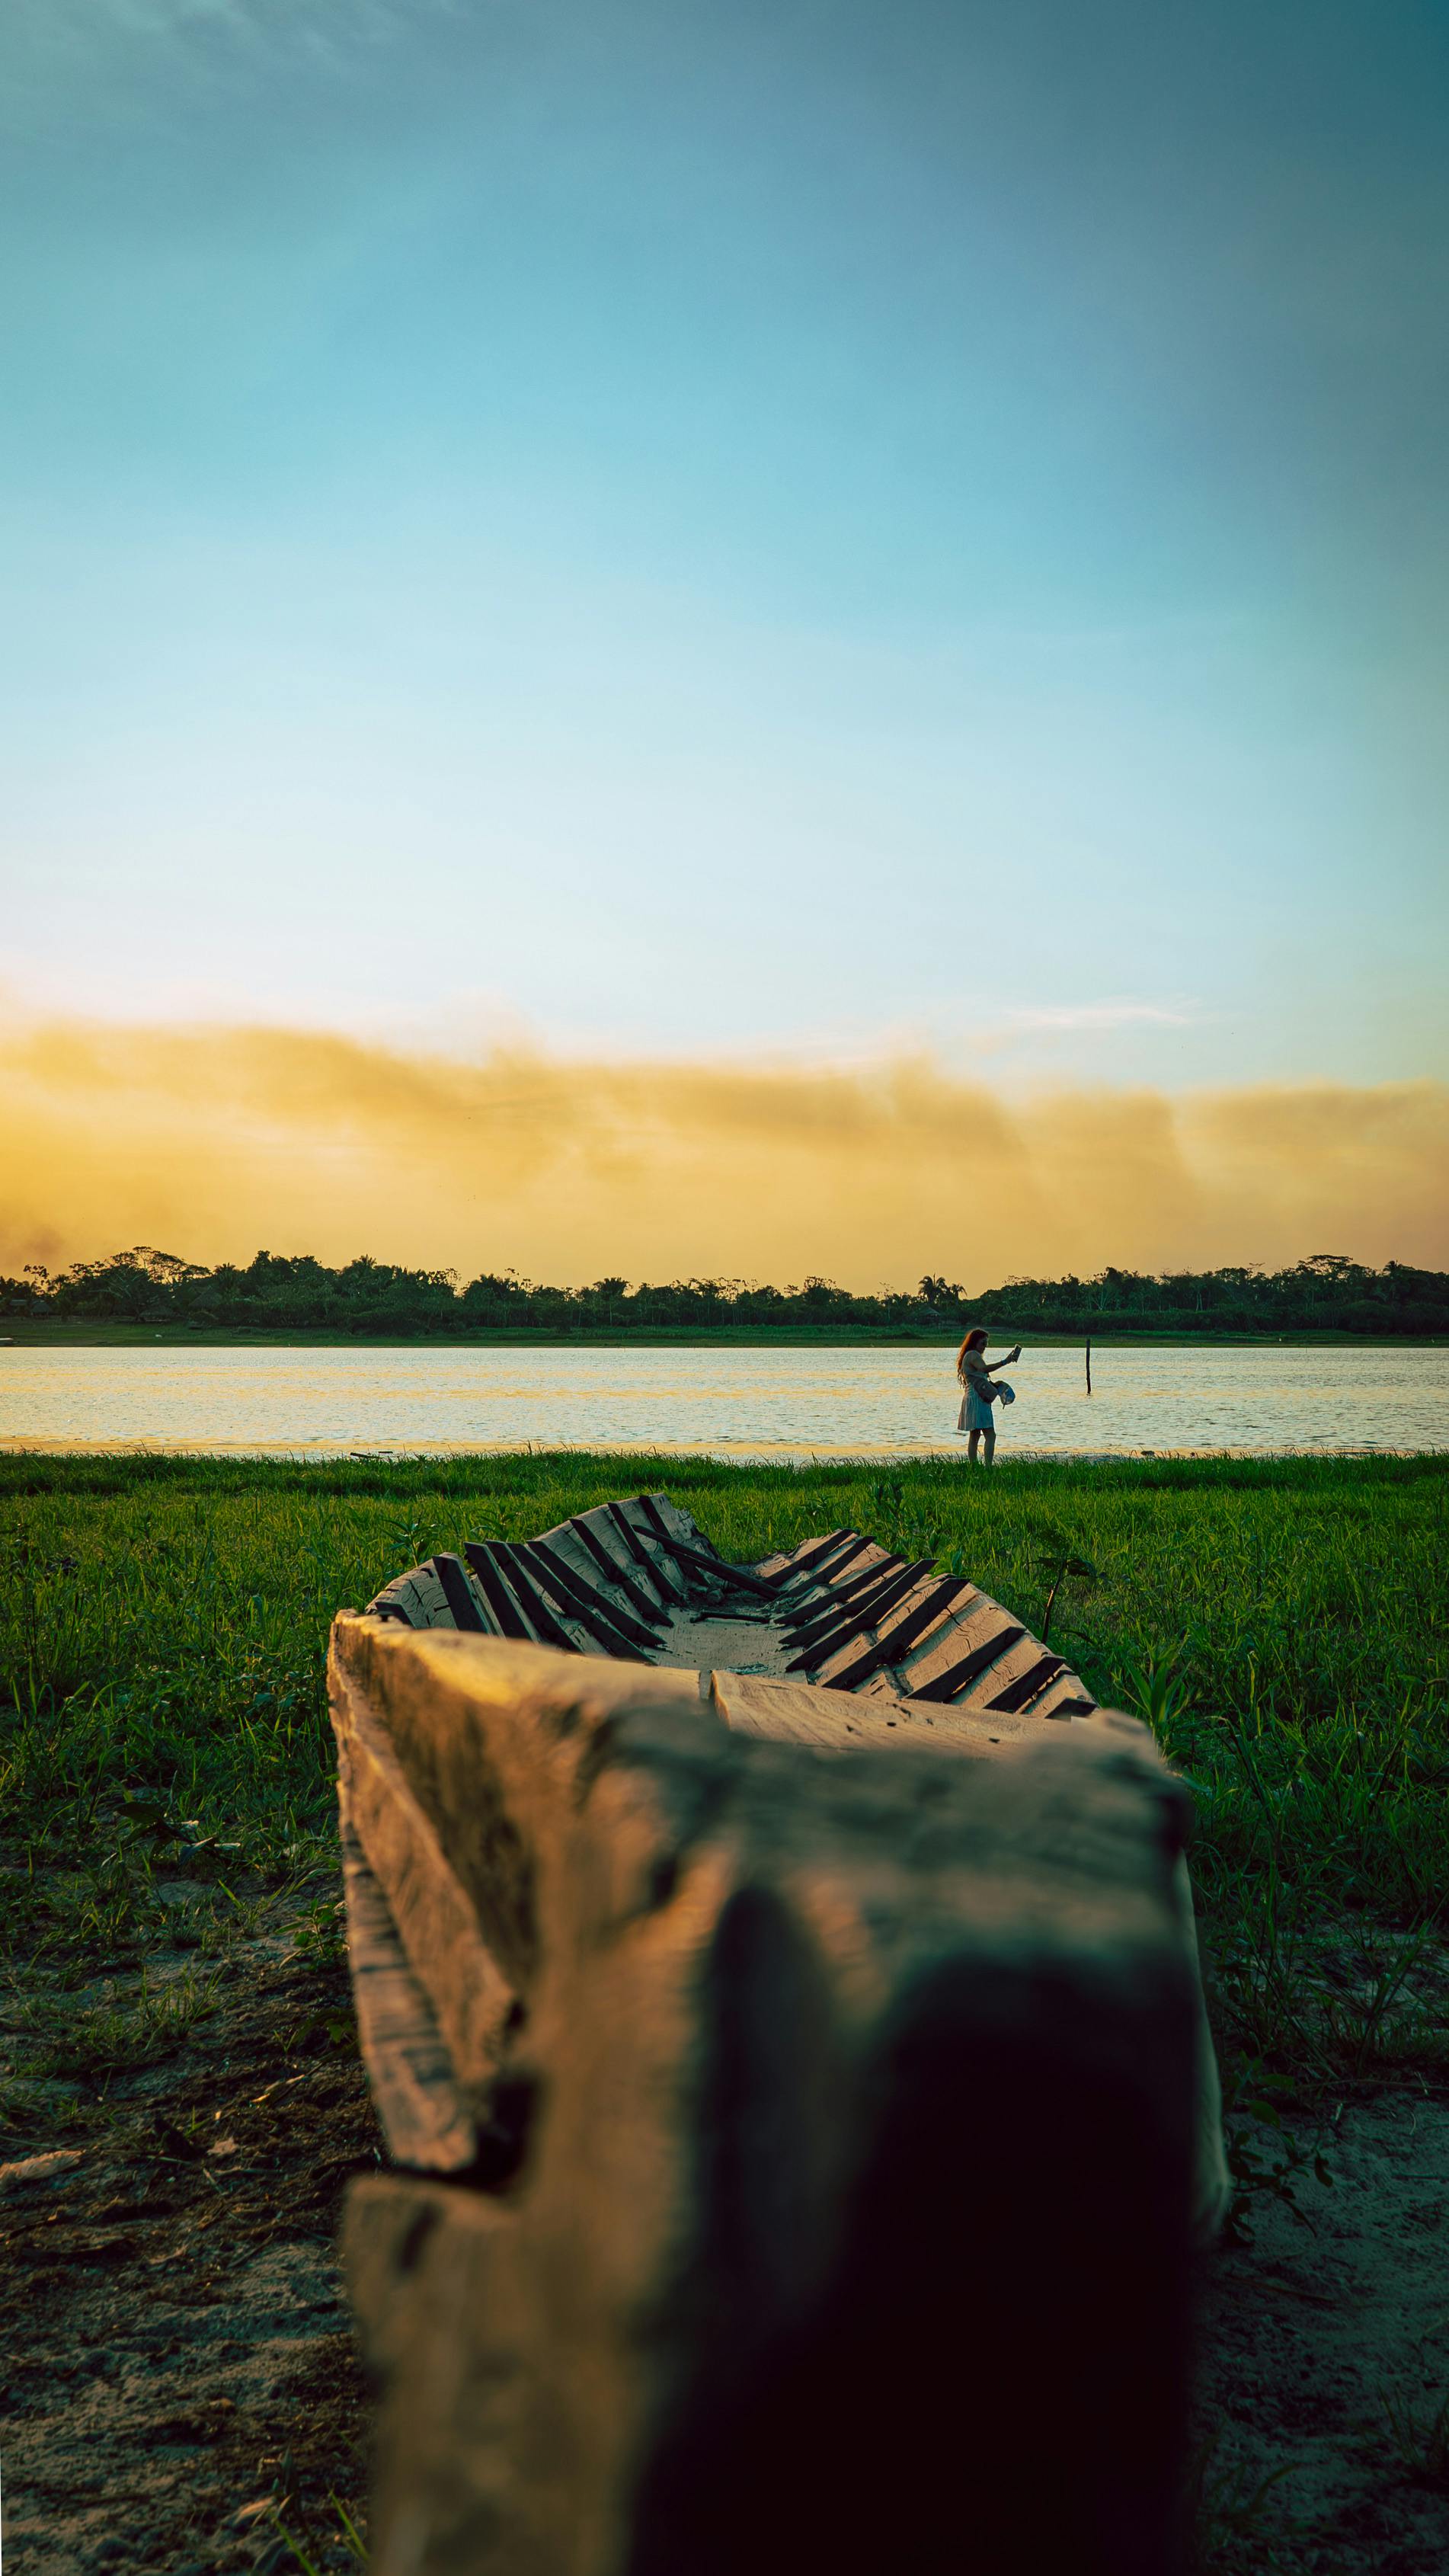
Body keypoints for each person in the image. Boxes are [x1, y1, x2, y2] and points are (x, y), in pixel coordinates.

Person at [955, 1326, 1022, 1466]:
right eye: (983, 1343)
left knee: (974, 1435)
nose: (985, 1347)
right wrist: (1005, 1361)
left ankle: (973, 1466)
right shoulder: (973, 1355)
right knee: (990, 1435)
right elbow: (984, 1369)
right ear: (975, 1342)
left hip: (971, 1398)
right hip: (978, 1400)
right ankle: (988, 1467)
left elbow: (980, 1376)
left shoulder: (969, 1355)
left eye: (987, 1344)